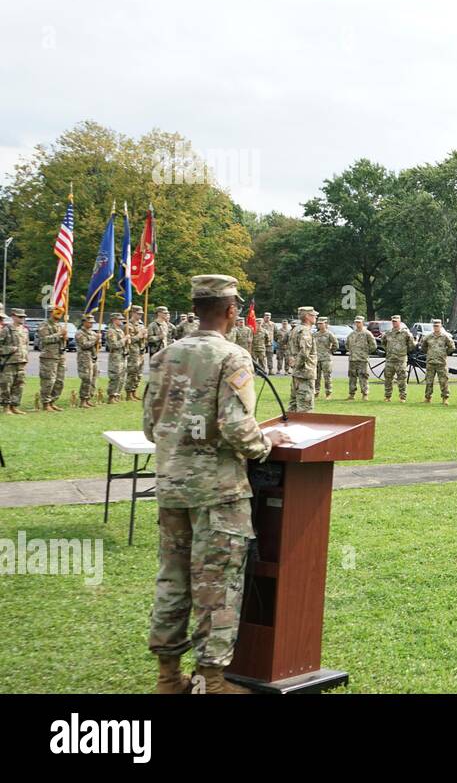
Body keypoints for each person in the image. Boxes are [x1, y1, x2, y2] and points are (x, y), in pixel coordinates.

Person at [144, 274, 289, 694]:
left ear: (195, 309)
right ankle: (213, 681)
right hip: (218, 493)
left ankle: (168, 678)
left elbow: (152, 427)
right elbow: (235, 427)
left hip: (172, 488)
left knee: (172, 579)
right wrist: (267, 441)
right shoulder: (233, 356)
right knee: (217, 584)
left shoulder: (165, 356)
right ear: (230, 311)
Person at [288, 306, 318, 412]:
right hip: (305, 373)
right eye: (313, 315)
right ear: (307, 316)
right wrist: (298, 366)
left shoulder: (295, 329)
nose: (315, 317)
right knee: (305, 408)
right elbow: (304, 353)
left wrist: (294, 366)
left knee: (294, 406)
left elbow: (291, 350)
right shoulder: (305, 331)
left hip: (297, 373)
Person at [38, 308, 68, 411]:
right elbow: (44, 339)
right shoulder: (44, 325)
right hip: (49, 357)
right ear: (51, 313)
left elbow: (62, 341)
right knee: (49, 381)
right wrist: (59, 334)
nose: (59, 314)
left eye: (61, 313)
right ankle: (46, 403)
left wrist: (64, 337)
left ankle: (52, 401)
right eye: (57, 312)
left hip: (60, 356)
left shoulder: (59, 325)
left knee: (59, 381)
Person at [381, 315, 416, 402]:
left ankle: (402, 397)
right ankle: (387, 396)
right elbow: (383, 343)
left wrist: (404, 351)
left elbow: (411, 345)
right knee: (388, 379)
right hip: (390, 359)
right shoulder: (388, 333)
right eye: (393, 321)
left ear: (399, 322)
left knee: (402, 379)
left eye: (396, 321)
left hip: (401, 359)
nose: (394, 323)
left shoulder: (405, 333)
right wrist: (389, 351)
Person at [0, 309, 29, 415]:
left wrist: (26, 357)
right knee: (6, 385)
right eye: (20, 317)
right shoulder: (6, 329)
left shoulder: (25, 330)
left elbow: (25, 345)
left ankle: (14, 406)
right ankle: (6, 407)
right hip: (9, 362)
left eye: (23, 317)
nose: (22, 319)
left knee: (19, 385)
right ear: (13, 316)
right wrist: (10, 349)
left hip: (21, 362)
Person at [422, 319, 455, 404]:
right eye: (435, 326)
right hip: (430, 362)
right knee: (429, 381)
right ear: (433, 327)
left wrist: (444, 353)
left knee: (443, 381)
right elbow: (423, 347)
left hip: (441, 363)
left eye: (437, 326)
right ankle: (427, 398)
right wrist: (430, 353)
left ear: (441, 326)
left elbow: (452, 347)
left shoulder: (445, 337)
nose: (436, 327)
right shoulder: (428, 337)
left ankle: (445, 398)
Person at [345, 316, 377, 400]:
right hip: (352, 359)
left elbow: (373, 346)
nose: (357, 324)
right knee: (352, 378)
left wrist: (365, 353)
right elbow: (347, 345)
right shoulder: (351, 334)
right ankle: (352, 394)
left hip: (362, 360)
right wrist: (352, 352)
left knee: (363, 377)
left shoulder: (367, 333)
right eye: (356, 322)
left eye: (359, 322)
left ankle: (365, 394)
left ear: (362, 322)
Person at [75, 314, 100, 407]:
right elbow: (84, 345)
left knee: (93, 379)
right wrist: (95, 340)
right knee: (87, 379)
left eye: (92, 322)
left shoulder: (93, 333)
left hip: (93, 357)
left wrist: (98, 342)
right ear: (84, 322)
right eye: (90, 322)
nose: (91, 324)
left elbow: (97, 346)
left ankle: (89, 397)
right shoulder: (80, 333)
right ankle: (83, 400)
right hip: (84, 359)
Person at [124, 305, 146, 401]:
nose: (140, 315)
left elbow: (144, 339)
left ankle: (134, 391)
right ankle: (129, 393)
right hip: (133, 352)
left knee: (139, 374)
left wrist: (145, 336)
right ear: (133, 313)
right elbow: (129, 340)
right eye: (138, 313)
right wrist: (139, 335)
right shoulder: (128, 325)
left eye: (141, 314)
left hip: (140, 351)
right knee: (132, 373)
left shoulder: (141, 324)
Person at [104, 312, 127, 403]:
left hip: (122, 356)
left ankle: (117, 394)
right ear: (114, 320)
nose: (122, 321)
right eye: (120, 319)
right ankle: (111, 396)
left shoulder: (120, 330)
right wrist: (124, 340)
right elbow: (113, 345)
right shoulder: (111, 331)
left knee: (122, 377)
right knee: (115, 376)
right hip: (115, 357)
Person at [313, 317, 337, 399]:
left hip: (326, 359)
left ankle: (328, 393)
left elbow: (335, 344)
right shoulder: (315, 334)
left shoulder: (329, 334)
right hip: (316, 359)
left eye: (321, 323)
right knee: (316, 377)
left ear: (326, 324)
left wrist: (330, 351)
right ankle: (316, 392)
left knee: (327, 377)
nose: (320, 325)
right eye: (318, 324)